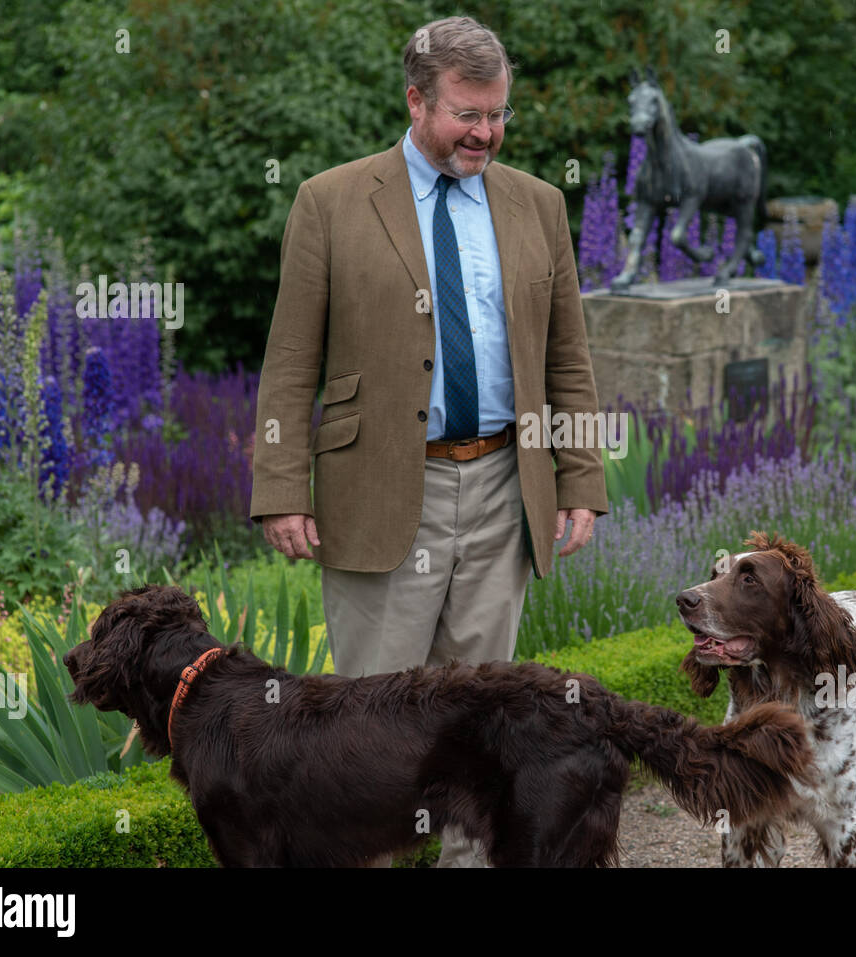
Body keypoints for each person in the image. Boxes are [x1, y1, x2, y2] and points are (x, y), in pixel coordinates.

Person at [248, 15, 608, 866]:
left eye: (498, 114)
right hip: (375, 492)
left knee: (481, 733)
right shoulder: (330, 200)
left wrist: (582, 476)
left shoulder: (539, 205)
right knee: (367, 734)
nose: (485, 132)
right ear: (416, 101)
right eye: (466, 114)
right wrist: (281, 487)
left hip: (499, 491)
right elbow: (290, 358)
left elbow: (569, 355)